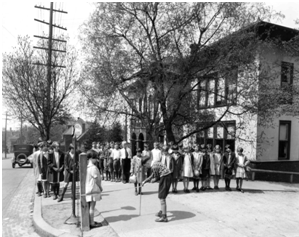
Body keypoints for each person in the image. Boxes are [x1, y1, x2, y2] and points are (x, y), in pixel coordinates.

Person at [85, 151, 103, 228]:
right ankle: (92, 223)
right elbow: (96, 179)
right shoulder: (93, 168)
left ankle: (90, 221)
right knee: (92, 207)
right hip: (93, 189)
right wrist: (100, 187)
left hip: (88, 188)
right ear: (91, 158)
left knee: (89, 207)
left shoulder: (86, 167)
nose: (96, 160)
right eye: (95, 158)